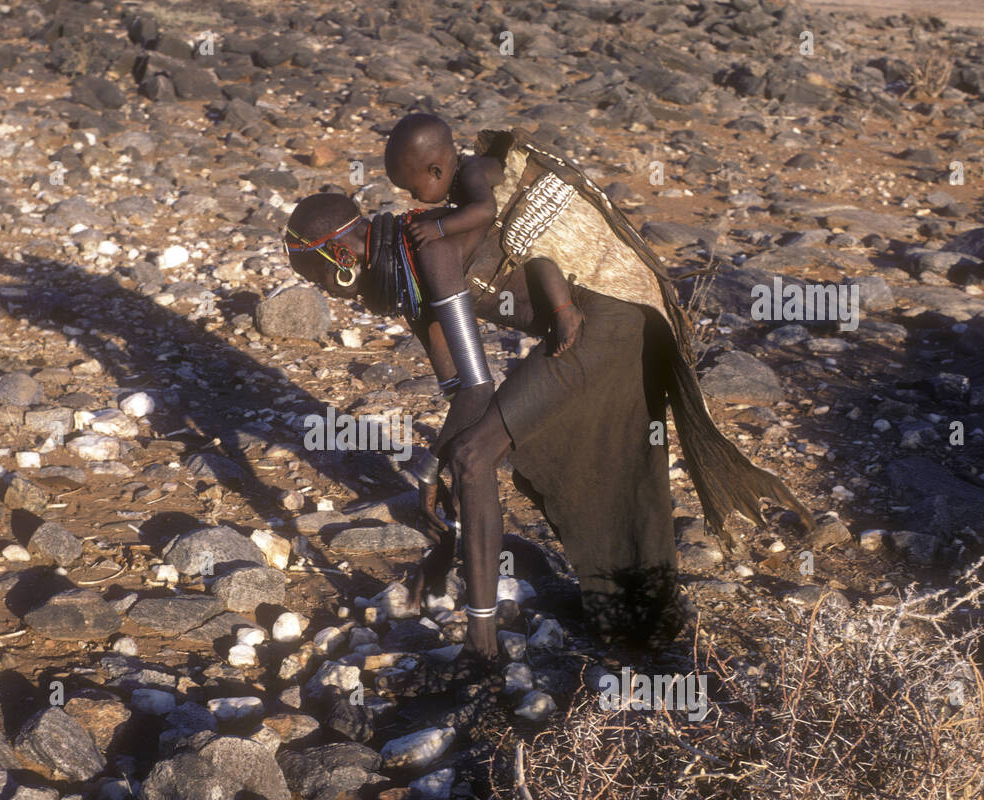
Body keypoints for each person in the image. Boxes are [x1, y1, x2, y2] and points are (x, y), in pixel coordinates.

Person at [283, 127, 814, 666]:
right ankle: (634, 620)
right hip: (594, 331)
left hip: (600, 325)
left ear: (338, 254)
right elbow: (464, 399)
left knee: (476, 458)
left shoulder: (430, 251)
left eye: (322, 279)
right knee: (597, 465)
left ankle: (483, 640)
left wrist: (445, 467)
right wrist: (429, 476)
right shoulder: (406, 278)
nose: (330, 292)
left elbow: (479, 394)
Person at [385, 112, 582, 357]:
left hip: (540, 211)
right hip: (518, 211)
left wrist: (438, 228)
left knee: (534, 254)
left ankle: (565, 310)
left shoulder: (470, 172)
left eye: (414, 189)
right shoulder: (460, 176)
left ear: (436, 172)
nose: (414, 198)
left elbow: (485, 211)